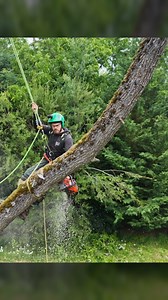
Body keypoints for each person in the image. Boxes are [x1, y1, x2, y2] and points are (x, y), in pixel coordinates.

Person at [18, 102, 78, 219]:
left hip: (57, 166)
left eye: (56, 125)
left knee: (43, 187)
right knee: (25, 177)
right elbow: (38, 126)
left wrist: (61, 169)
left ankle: (28, 207)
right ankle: (21, 206)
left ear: (61, 124)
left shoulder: (66, 138)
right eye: (53, 125)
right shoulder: (50, 131)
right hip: (46, 160)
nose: (54, 128)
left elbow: (69, 156)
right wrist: (35, 112)